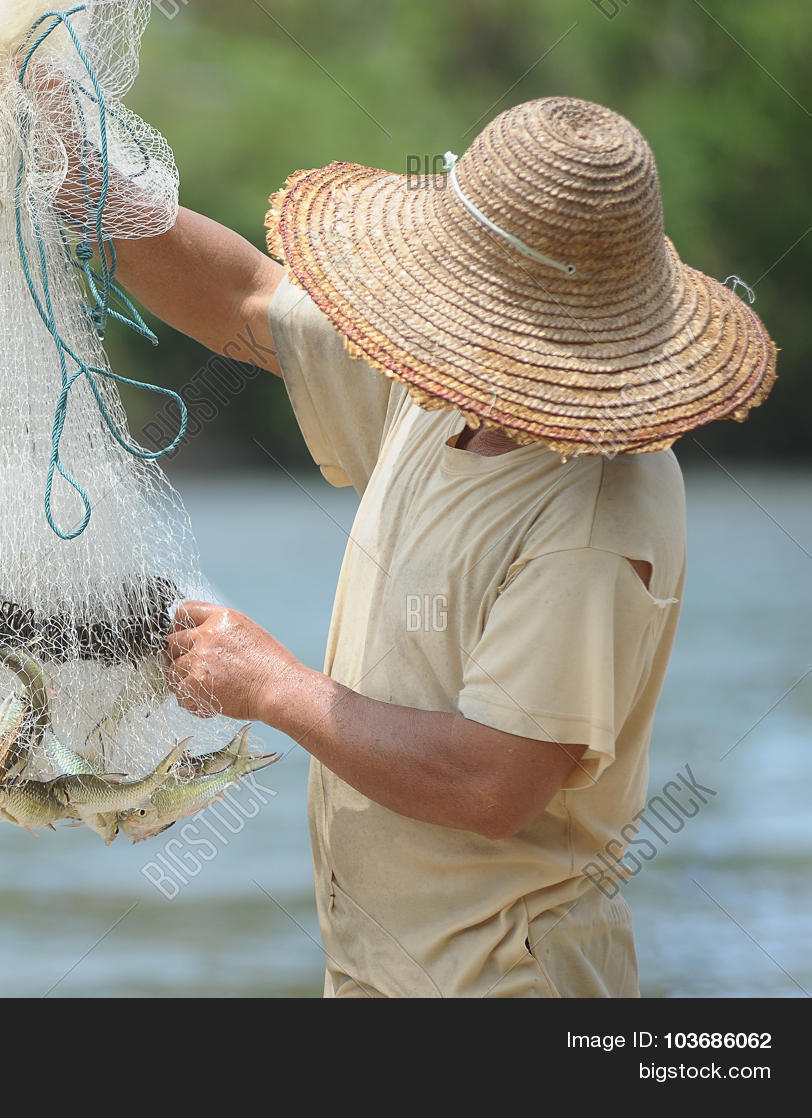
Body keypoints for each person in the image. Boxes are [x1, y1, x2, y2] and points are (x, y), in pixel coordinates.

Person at [110, 96, 776, 996]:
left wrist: (271, 684)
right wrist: (84, 189)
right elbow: (246, 298)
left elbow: (490, 783)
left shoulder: (596, 512)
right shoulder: (445, 393)